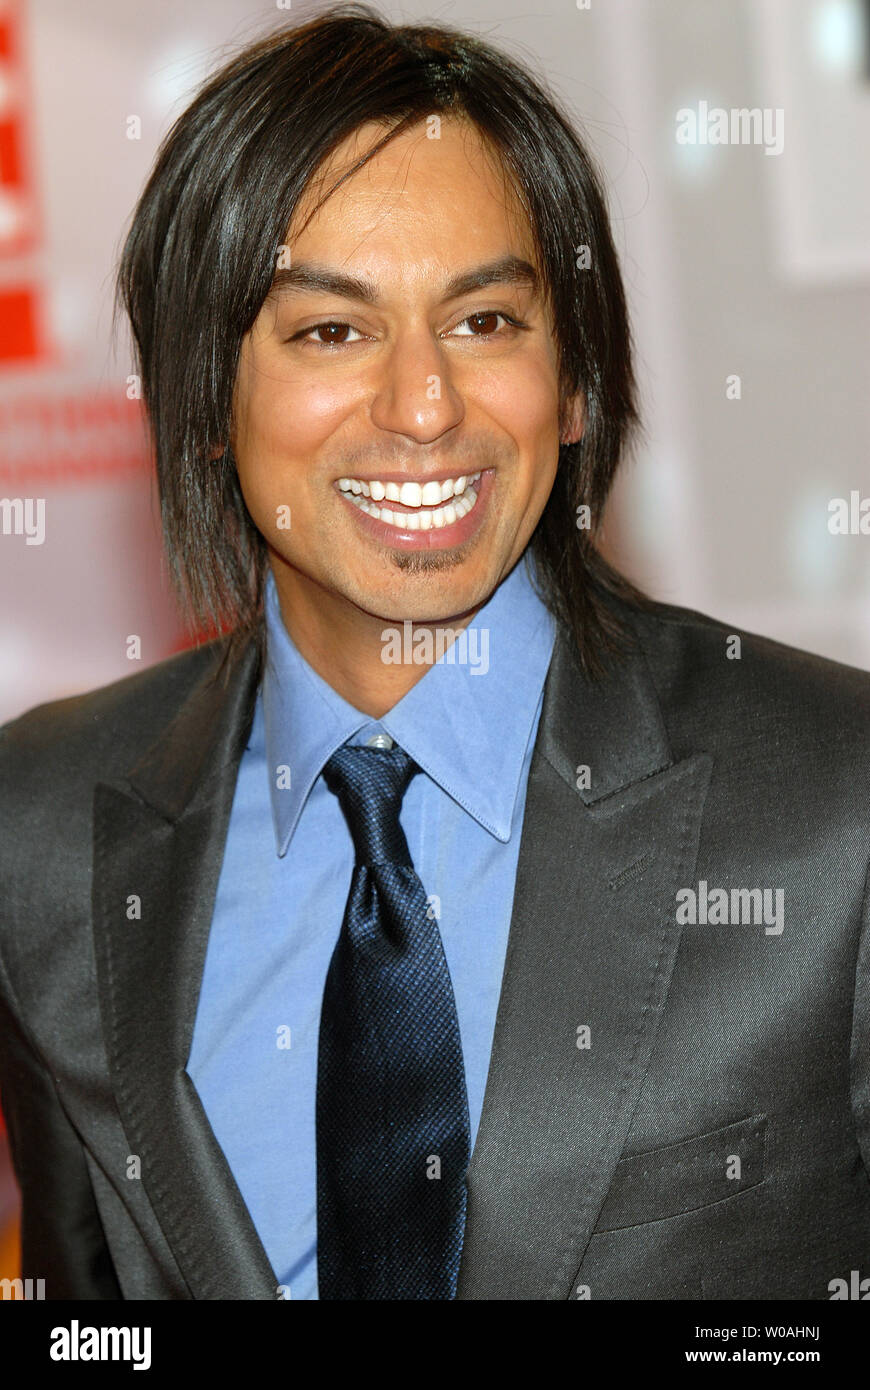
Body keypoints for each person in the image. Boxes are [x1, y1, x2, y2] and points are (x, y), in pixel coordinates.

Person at [1, 4, 869, 1302]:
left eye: (483, 322)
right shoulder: (41, 824)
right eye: (329, 331)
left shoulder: (832, 801)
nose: (423, 406)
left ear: (574, 378)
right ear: (202, 401)